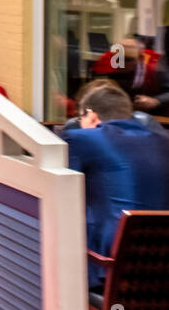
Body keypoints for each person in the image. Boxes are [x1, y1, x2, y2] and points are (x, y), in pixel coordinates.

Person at [62, 82, 169, 286]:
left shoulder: (82, 138)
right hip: (160, 278)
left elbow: (62, 195)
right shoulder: (164, 140)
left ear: (91, 115)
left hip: (112, 274)